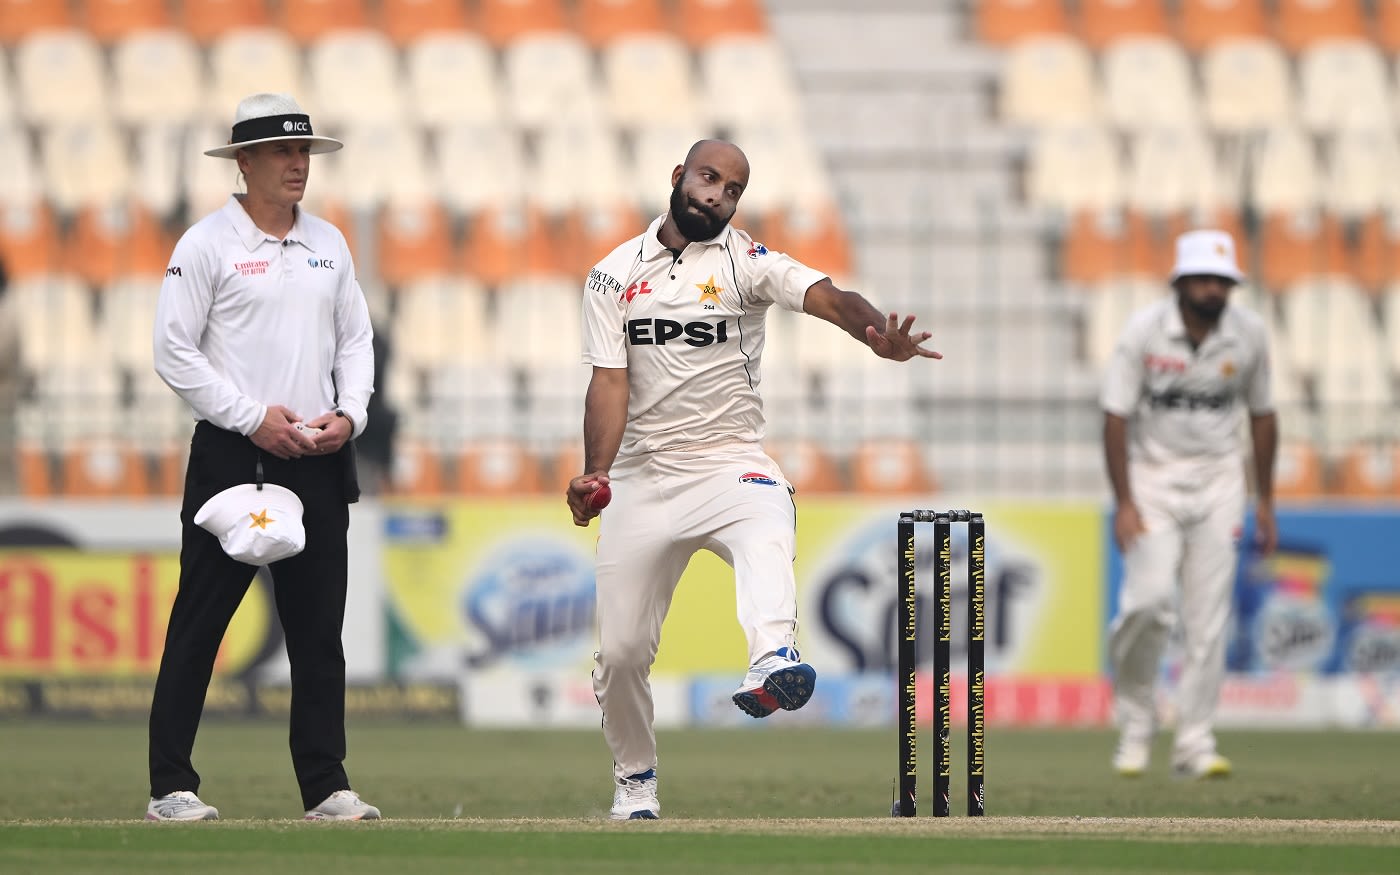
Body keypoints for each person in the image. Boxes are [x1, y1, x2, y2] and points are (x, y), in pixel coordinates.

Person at [566, 139, 940, 820]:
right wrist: (595, 472)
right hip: (644, 476)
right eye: (709, 179)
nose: (718, 196)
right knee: (620, 654)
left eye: (733, 189)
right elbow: (609, 382)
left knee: (768, 512)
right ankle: (635, 781)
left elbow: (826, 295)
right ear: (678, 176)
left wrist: (874, 334)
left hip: (727, 460)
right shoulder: (610, 275)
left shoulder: (747, 262)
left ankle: (772, 655)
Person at [146, 93, 379, 821]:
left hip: (315, 452)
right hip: (233, 455)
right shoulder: (207, 243)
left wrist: (351, 413)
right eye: (282, 152)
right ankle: (170, 786)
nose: (297, 163)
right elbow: (172, 351)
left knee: (319, 635)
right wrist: (251, 419)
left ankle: (326, 785)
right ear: (243, 163)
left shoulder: (331, 242)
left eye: (304, 151)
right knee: (200, 624)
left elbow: (355, 342)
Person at [1101, 229, 1278, 780]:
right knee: (1148, 605)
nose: (1210, 289)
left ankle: (1195, 742)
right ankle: (1136, 723)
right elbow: (1115, 417)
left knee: (1208, 618)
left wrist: (1265, 500)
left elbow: (1264, 416)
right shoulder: (1144, 332)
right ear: (1179, 282)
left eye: (1220, 281)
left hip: (1221, 482)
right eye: (1201, 279)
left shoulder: (1249, 334)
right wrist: (1124, 501)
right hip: (1152, 480)